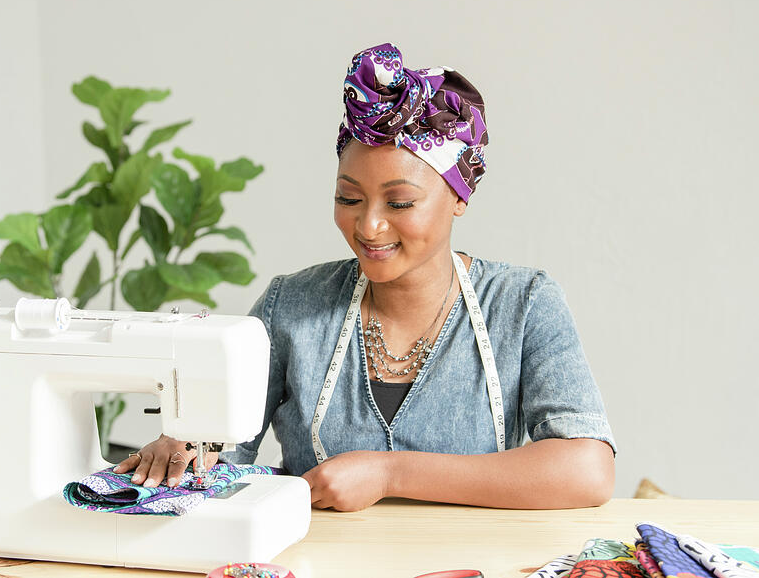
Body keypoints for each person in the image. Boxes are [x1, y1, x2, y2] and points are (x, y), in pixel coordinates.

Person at [115, 42, 616, 512]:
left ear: (459, 196)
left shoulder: (523, 304)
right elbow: (219, 452)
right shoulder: (291, 304)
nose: (369, 226)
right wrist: (186, 444)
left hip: (472, 558)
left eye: (399, 203)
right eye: (349, 198)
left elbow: (588, 470)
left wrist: (390, 473)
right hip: (320, 559)